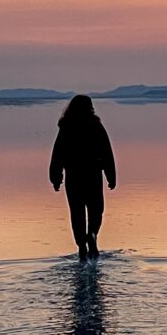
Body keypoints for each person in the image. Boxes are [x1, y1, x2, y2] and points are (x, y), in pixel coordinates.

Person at [48, 93, 117, 260]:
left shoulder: (66, 128)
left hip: (74, 178)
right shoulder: (95, 126)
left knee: (77, 213)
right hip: (92, 176)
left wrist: (55, 178)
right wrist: (111, 175)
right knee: (96, 210)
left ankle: (81, 246)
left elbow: (57, 154)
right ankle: (92, 236)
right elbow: (107, 153)